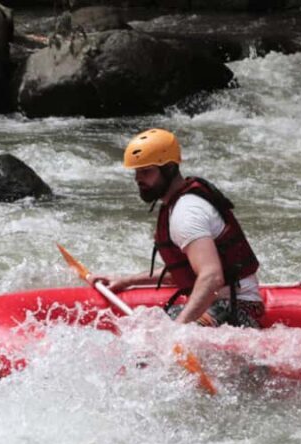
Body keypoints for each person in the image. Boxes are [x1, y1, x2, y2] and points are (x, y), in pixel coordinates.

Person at [93, 128, 264, 328]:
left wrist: (177, 330)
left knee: (155, 343)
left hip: (235, 309)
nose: (138, 179)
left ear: (169, 168)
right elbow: (185, 272)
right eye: (137, 171)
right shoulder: (177, 205)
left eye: (146, 171)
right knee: (141, 328)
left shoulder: (187, 212)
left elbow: (212, 276)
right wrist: (125, 281)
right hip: (221, 304)